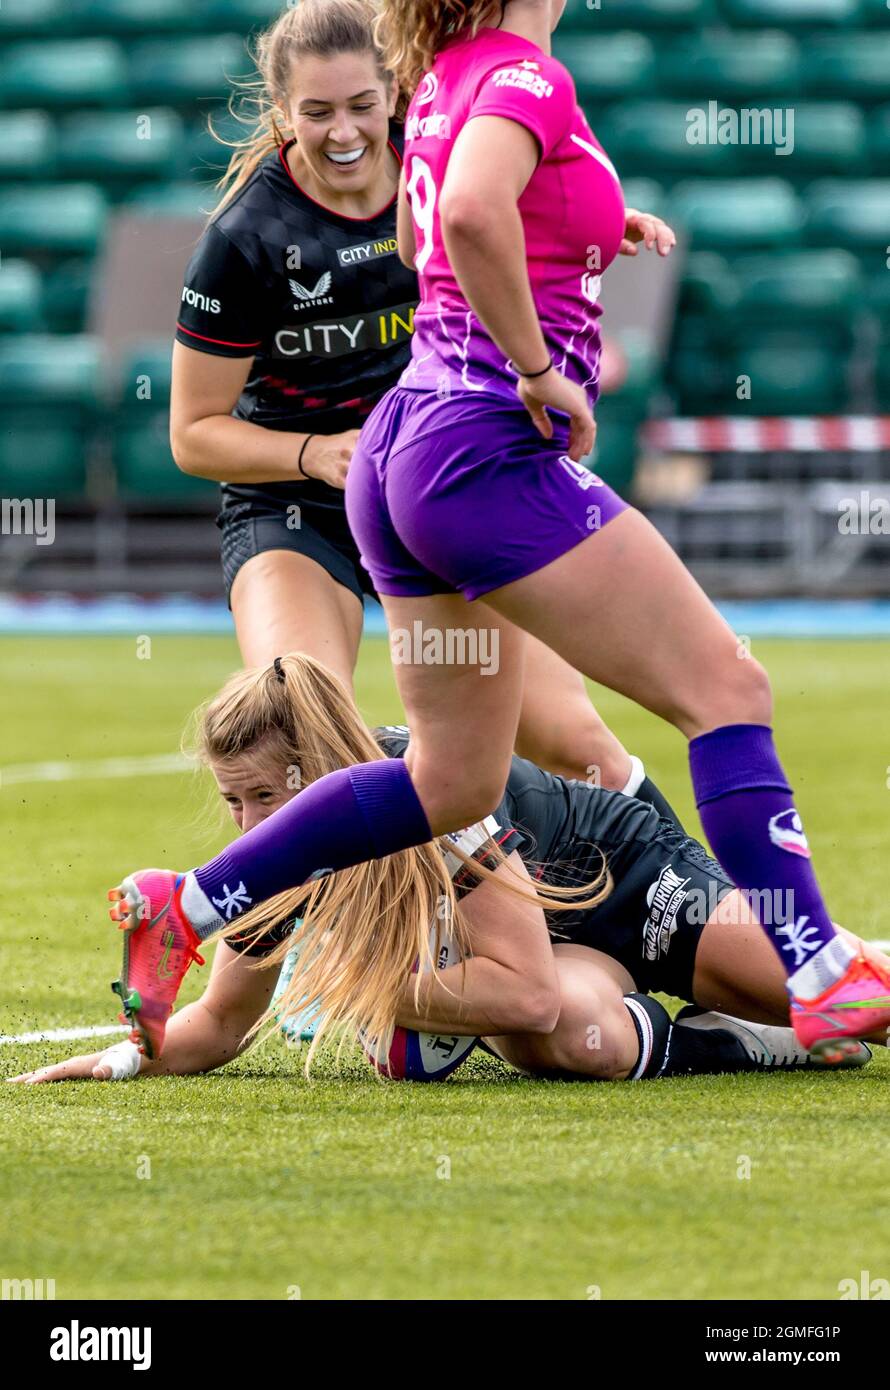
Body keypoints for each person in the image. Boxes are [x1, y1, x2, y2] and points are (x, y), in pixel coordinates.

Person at [113, 0, 890, 1064]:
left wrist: (582, 229)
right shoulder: (521, 75)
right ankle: (814, 968)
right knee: (725, 689)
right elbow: (471, 216)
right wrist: (536, 368)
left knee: (450, 781)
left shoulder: (440, 79)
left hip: (394, 456)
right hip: (477, 451)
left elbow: (416, 229)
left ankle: (190, 905)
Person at [171, 0, 673, 797]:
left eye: (363, 106)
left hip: (435, 490)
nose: (344, 132)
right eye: (318, 112)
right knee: (300, 735)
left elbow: (507, 217)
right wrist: (315, 454)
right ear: (281, 112)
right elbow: (194, 435)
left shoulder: (435, 164)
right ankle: (273, 917)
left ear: (397, 96)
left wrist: (605, 225)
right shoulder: (244, 242)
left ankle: (704, 902)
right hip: (298, 514)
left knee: (574, 743)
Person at [13, 656, 873, 1087]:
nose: (245, 828)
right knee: (580, 1041)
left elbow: (522, 989)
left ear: (317, 779)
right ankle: (742, 1041)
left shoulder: (416, 797)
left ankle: (783, 1010)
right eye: (229, 802)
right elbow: (219, 1024)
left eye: (261, 799)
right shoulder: (261, 870)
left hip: (633, 883)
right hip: (550, 943)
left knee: (846, 997)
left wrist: (362, 982)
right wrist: (126, 1058)